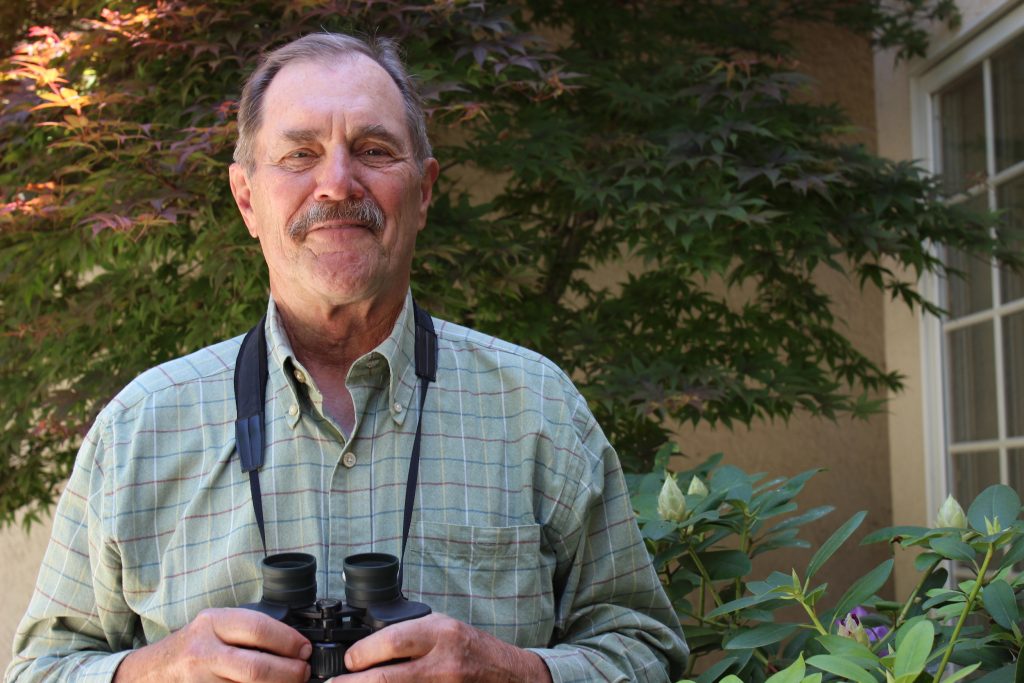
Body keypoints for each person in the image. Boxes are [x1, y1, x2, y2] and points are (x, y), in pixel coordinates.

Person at [5, 32, 687, 683]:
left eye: (373, 150)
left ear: (423, 191)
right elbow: (38, 668)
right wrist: (159, 669)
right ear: (246, 198)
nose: (336, 183)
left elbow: (647, 647)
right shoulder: (140, 430)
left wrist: (512, 672)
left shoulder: (535, 408)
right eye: (299, 154)